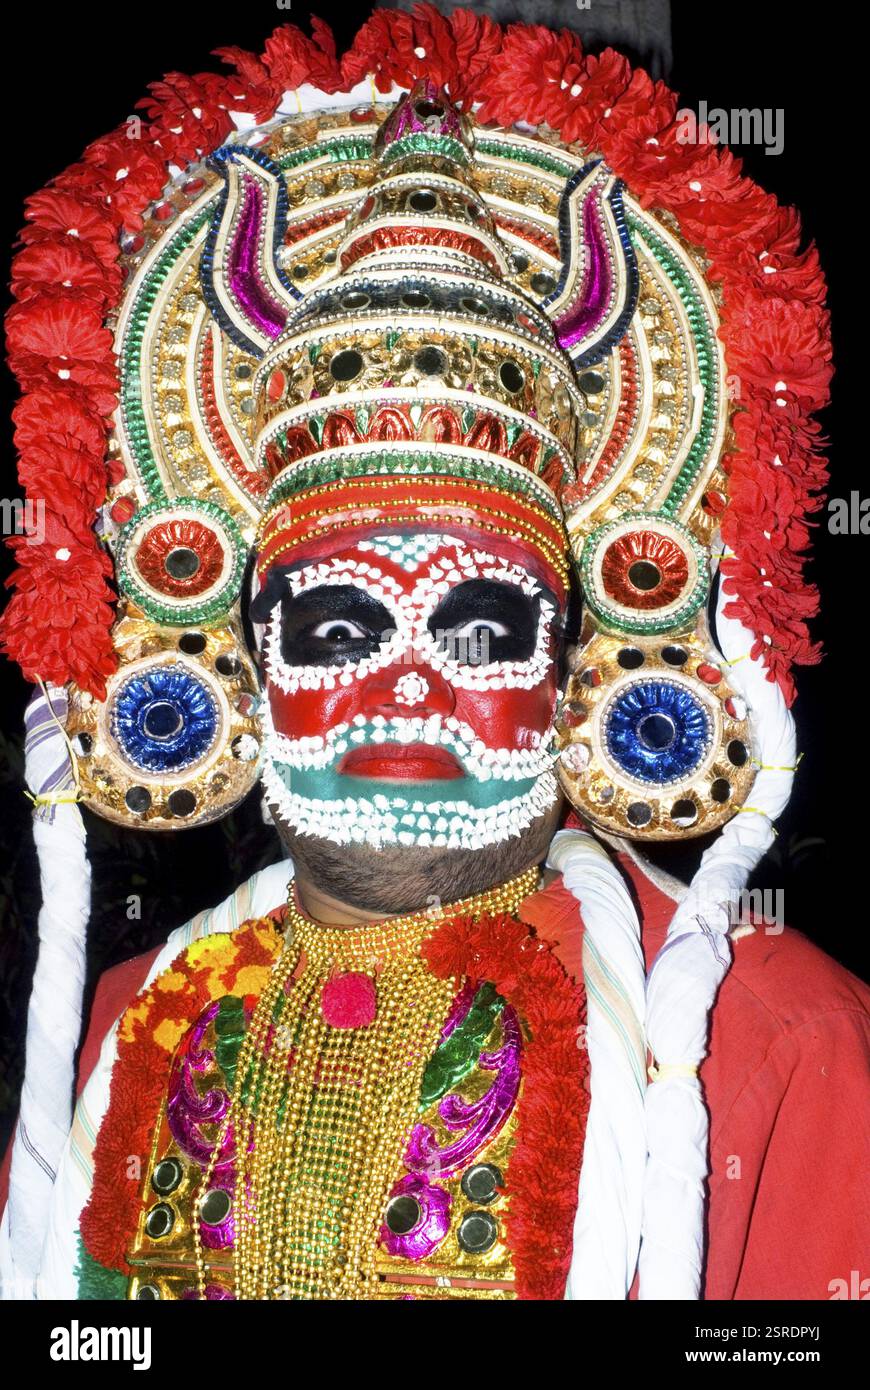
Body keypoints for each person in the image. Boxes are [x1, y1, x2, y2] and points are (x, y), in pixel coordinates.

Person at [0, 9, 866, 1301]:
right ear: (243, 648)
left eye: (477, 622)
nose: (405, 682)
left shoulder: (769, 1040)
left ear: (572, 657)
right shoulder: (128, 1027)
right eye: (342, 623)